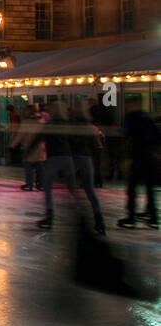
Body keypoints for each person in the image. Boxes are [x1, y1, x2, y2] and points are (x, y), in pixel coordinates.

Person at [36, 101, 105, 234]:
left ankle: (54, 215)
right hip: (87, 158)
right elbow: (94, 144)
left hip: (74, 158)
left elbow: (68, 141)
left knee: (61, 186)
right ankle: (99, 219)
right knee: (89, 190)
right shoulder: (88, 125)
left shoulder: (71, 124)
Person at [118, 97, 160, 229]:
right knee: (149, 188)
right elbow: (157, 137)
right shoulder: (147, 118)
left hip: (137, 158)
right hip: (149, 158)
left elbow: (125, 135)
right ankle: (153, 218)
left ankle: (131, 218)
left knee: (132, 189)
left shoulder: (131, 118)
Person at [15, 104, 47, 191]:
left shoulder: (27, 122)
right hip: (40, 146)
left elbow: (20, 135)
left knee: (28, 166)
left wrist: (13, 144)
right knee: (40, 166)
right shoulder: (41, 121)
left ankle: (29, 184)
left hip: (29, 146)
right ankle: (41, 184)